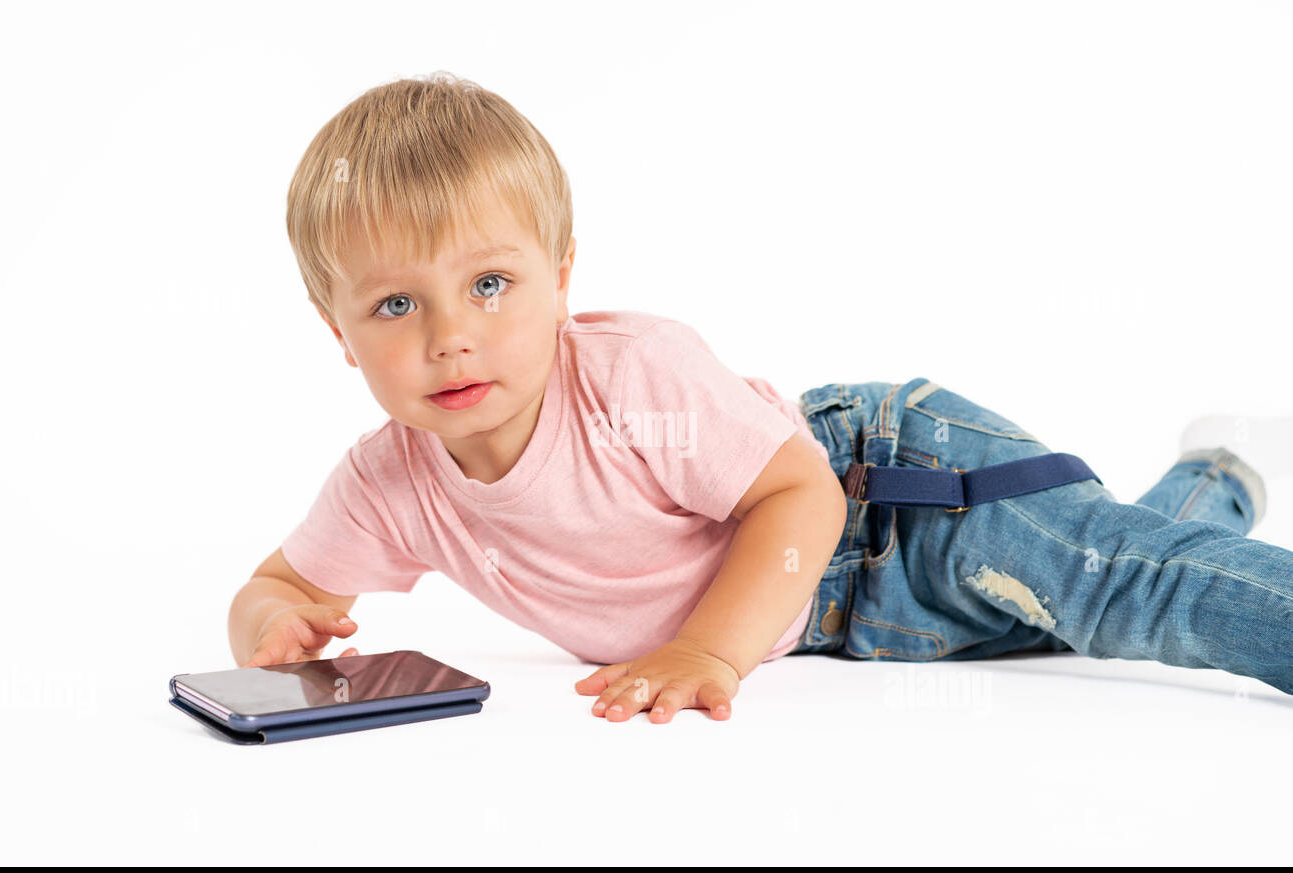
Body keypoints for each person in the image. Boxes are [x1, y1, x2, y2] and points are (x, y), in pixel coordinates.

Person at [226, 71, 1293, 723]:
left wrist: (706, 651)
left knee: (1123, 591)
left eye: (489, 284)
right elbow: (272, 584)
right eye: (395, 306)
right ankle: (1220, 472)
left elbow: (797, 498)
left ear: (563, 278)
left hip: (893, 506)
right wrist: (273, 627)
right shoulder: (390, 481)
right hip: (850, 626)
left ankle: (1215, 496)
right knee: (1087, 613)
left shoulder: (633, 377)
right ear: (338, 334)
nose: (450, 334)